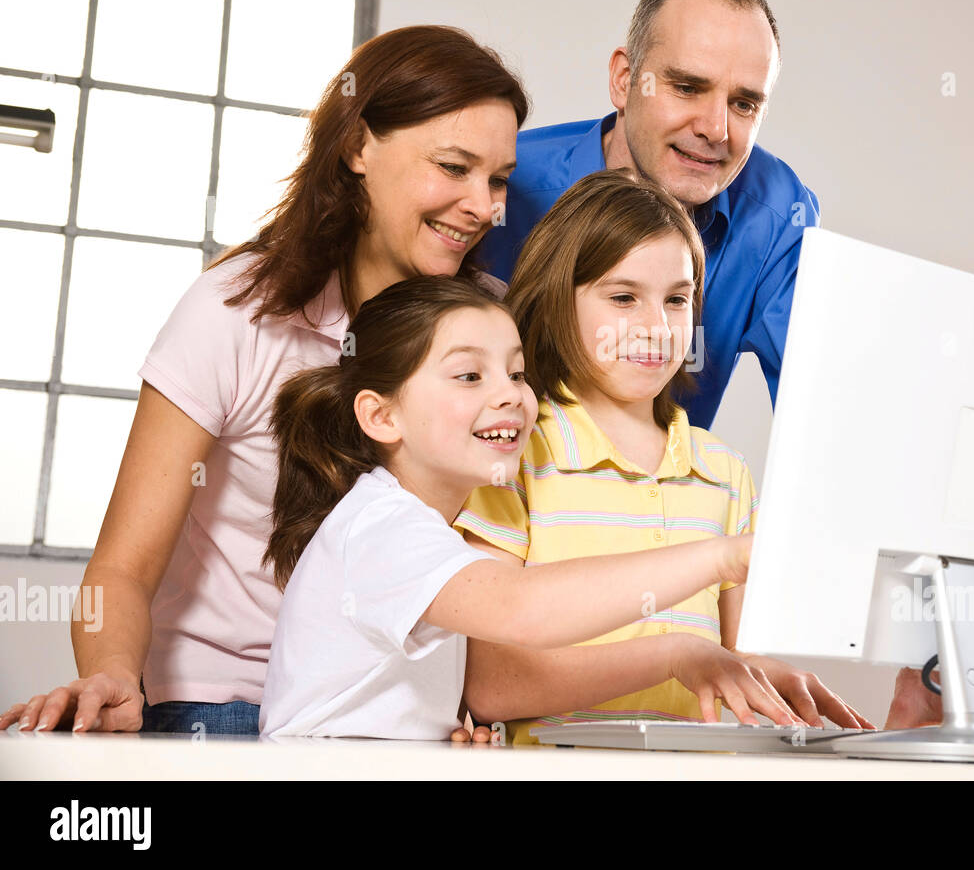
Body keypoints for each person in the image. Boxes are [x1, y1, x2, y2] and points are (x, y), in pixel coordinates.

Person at [0, 25, 527, 736]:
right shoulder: (235, 310)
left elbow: (491, 553)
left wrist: (455, 701)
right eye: (454, 167)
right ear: (358, 146)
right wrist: (116, 675)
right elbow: (122, 567)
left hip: (388, 716)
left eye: (497, 180)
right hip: (226, 704)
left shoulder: (488, 330)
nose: (484, 206)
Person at [260, 275, 786, 739]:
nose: (511, 395)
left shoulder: (429, 535)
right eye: (469, 376)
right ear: (380, 417)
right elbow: (522, 608)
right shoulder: (381, 527)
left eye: (516, 374)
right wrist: (721, 559)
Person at [456, 170, 873, 744]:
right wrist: (673, 657)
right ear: (557, 299)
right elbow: (492, 685)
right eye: (623, 297)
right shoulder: (514, 453)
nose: (656, 327)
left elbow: (734, 658)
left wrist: (771, 682)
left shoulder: (724, 474)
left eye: (677, 300)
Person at [476, 0, 812, 430]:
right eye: (688, 88)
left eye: (744, 104)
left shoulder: (778, 212)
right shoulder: (504, 183)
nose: (715, 129)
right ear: (624, 79)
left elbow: (823, 399)